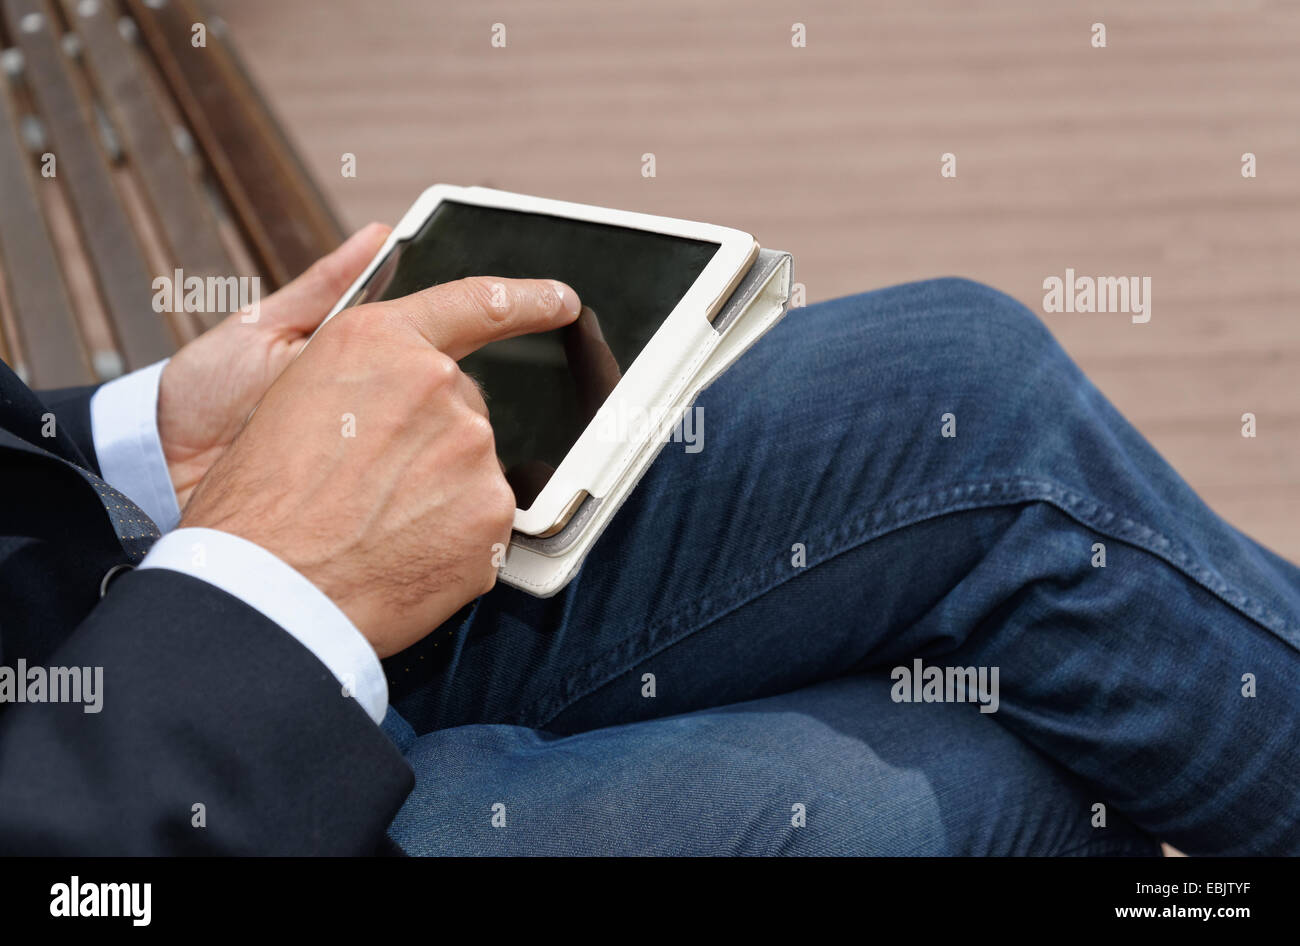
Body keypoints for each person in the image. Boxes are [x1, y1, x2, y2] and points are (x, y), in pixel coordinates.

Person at [0, 225, 1295, 855]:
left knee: (964, 387)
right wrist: (265, 583)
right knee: (939, 790)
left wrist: (125, 440)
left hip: (114, 627)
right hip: (140, 786)